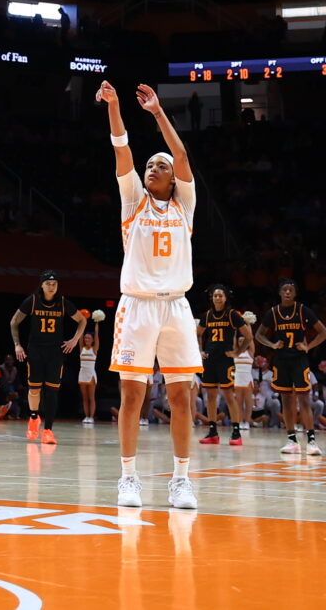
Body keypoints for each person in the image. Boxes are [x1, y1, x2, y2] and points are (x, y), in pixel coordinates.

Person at [98, 80, 202, 511]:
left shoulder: (185, 205)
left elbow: (180, 155)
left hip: (176, 306)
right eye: (150, 165)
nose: (153, 168)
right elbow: (120, 148)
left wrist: (158, 113)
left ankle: (181, 481)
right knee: (133, 396)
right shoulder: (133, 202)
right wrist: (116, 106)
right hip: (138, 306)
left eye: (159, 165)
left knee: (181, 397)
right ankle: (128, 478)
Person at [9, 270, 84, 444]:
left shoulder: (63, 303)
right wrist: (17, 345)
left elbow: (82, 320)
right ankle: (34, 417)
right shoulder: (33, 301)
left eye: (55, 284)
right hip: (35, 350)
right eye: (48, 284)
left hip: (55, 353)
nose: (52, 287)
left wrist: (74, 340)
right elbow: (14, 322)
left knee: (52, 392)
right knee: (34, 388)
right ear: (41, 285)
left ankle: (48, 430)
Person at [263, 280, 326, 455]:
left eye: (291, 290)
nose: (287, 293)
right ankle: (292, 439)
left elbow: (324, 332)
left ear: (295, 294)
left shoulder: (302, 310)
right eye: (284, 290)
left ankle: (311, 440)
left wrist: (309, 346)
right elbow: (259, 335)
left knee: (304, 400)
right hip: (281, 360)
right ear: (279, 293)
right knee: (286, 401)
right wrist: (272, 344)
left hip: (299, 360)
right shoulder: (273, 312)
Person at [197, 286, 249, 446]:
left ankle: (236, 431)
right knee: (210, 396)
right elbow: (198, 333)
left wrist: (237, 352)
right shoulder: (207, 315)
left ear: (226, 298)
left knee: (228, 395)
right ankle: (213, 432)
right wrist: (200, 350)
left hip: (225, 361)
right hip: (210, 359)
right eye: (215, 296)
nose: (217, 298)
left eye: (220, 295)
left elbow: (248, 336)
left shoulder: (232, 315)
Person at [76, 329, 99, 426]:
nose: (86, 339)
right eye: (85, 337)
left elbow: (97, 337)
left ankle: (91, 417)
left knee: (91, 397)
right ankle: (86, 416)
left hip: (91, 375)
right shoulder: (82, 348)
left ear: (93, 340)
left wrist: (97, 325)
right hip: (82, 374)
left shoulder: (94, 349)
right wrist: (82, 324)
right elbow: (79, 336)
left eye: (89, 338)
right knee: (84, 398)